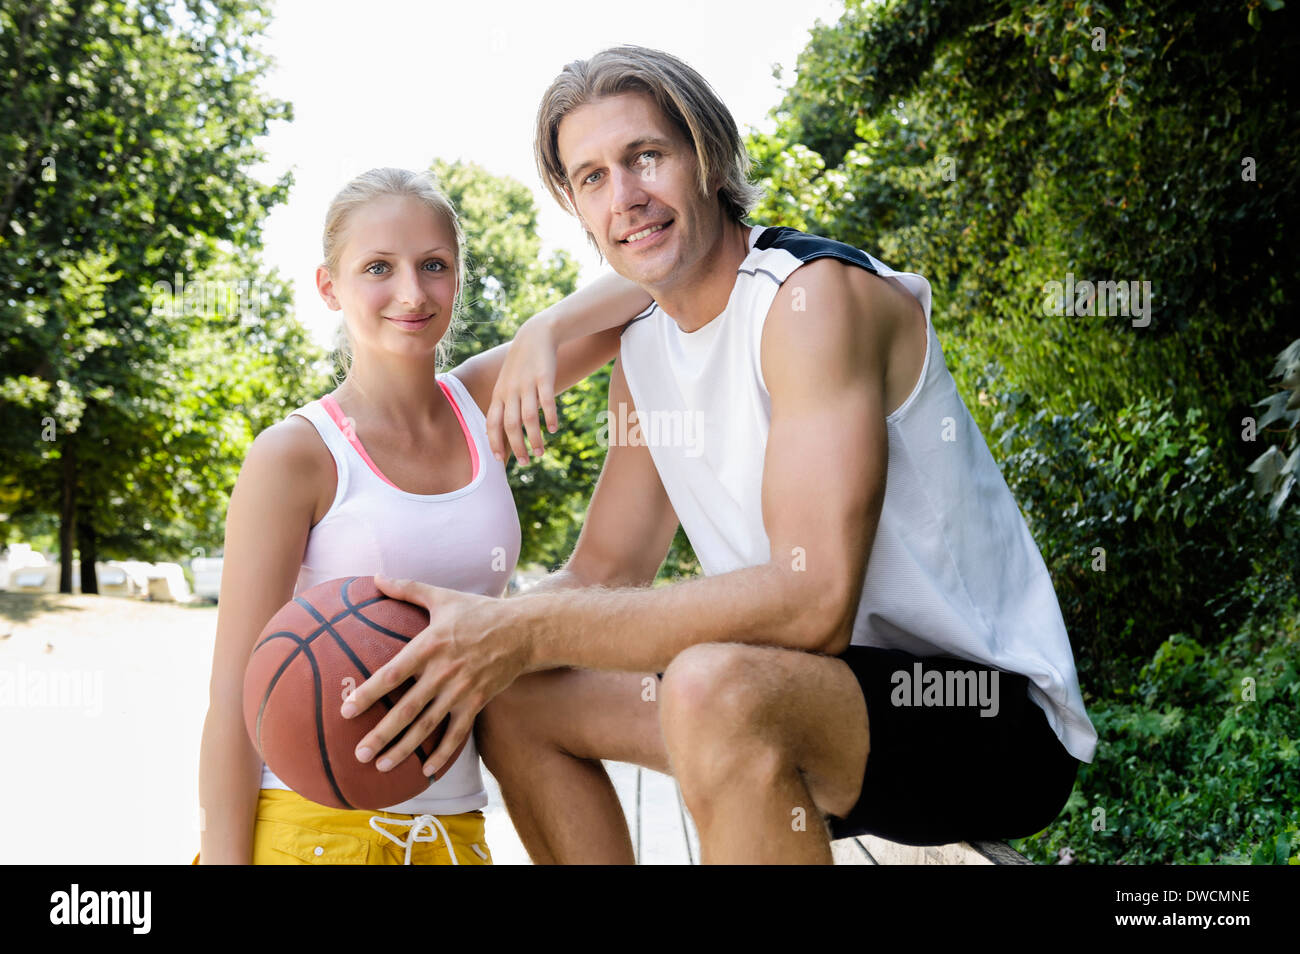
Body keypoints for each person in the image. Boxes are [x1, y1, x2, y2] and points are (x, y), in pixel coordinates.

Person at [340, 47, 1099, 864]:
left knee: (713, 684)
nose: (625, 196)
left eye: (646, 157)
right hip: (810, 701)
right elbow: (605, 570)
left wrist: (522, 625)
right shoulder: (644, 346)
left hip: (985, 716)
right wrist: (459, 638)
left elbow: (813, 604)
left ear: (706, 156)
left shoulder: (811, 300)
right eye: (591, 177)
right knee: (516, 698)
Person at [194, 166, 645, 864]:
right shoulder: (295, 455)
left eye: (434, 265)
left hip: (453, 832)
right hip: (311, 833)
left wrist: (547, 325)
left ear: (458, 278)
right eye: (379, 267)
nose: (411, 292)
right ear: (329, 287)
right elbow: (231, 703)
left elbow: (650, 287)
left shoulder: (482, 401)